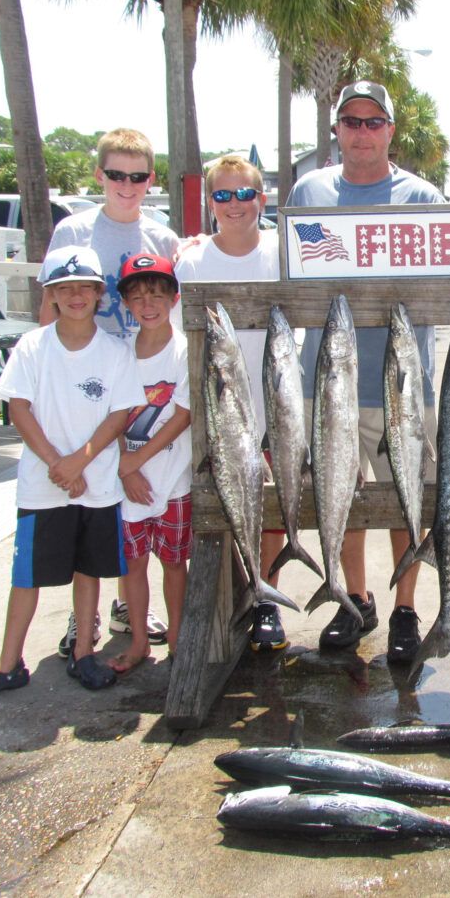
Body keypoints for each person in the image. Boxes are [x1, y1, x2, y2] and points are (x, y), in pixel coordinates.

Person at [287, 80, 445, 662]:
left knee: (409, 499)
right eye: (351, 121)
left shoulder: (423, 198)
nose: (361, 131)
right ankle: (354, 600)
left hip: (404, 385)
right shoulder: (308, 191)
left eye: (373, 121)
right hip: (327, 384)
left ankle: (406, 607)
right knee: (341, 496)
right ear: (337, 130)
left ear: (390, 131)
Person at [0, 246, 145, 703]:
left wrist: (79, 462)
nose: (75, 296)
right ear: (50, 296)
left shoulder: (114, 351)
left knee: (89, 571)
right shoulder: (32, 346)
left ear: (99, 294)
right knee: (26, 576)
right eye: (63, 289)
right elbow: (19, 407)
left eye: (84, 288)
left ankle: (84, 652)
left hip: (97, 483)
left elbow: (119, 413)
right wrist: (56, 463)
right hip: (42, 484)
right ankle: (7, 664)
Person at [46, 127, 179, 654]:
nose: (128, 184)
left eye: (139, 175)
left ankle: (129, 609)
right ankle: (86, 618)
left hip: (143, 386)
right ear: (100, 175)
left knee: (128, 502)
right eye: (117, 174)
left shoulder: (163, 237)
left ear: (151, 179)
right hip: (86, 384)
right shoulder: (72, 232)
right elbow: (48, 308)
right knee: (90, 501)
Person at [174, 155, 288, 652]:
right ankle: (238, 597)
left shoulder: (284, 251)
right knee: (224, 505)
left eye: (245, 194)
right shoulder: (192, 261)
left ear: (261, 199)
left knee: (273, 512)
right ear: (209, 203)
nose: (235, 204)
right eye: (222, 195)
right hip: (220, 412)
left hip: (276, 409)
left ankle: (264, 597)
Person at [113, 253, 192, 671]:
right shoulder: (118, 354)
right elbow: (107, 417)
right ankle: (140, 639)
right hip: (128, 484)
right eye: (138, 296)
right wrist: (126, 466)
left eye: (158, 294)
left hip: (172, 479)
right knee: (134, 564)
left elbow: (183, 414)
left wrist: (135, 461)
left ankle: (177, 636)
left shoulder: (183, 350)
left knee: (174, 563)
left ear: (174, 298)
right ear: (125, 303)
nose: (148, 304)